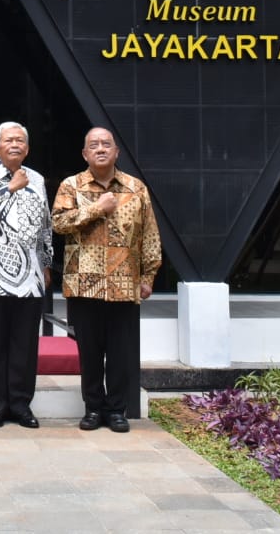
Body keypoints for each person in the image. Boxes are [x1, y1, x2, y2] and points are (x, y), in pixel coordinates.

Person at [51, 127, 162, 433]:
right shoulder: (71, 186)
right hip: (84, 285)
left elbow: (150, 234)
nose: (100, 149)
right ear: (85, 153)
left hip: (124, 284)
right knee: (89, 352)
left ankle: (116, 410)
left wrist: (148, 275)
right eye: (94, 145)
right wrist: (96, 209)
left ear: (116, 152)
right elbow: (58, 223)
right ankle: (92, 408)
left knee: (119, 353)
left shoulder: (136, 188)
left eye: (106, 144)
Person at [0, 122, 52, 430]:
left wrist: (46, 264)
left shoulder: (37, 179)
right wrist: (9, 187)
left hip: (31, 279)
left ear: (27, 149)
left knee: (25, 345)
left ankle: (20, 404)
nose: (15, 144)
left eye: (20, 140)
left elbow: (46, 226)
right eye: (9, 140)